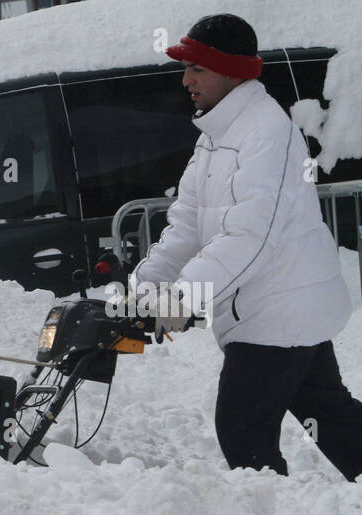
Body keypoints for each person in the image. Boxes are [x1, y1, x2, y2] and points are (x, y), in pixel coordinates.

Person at [129, 13, 362, 479]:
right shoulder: (218, 136)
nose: (186, 79)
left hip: (276, 311)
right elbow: (188, 224)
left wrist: (181, 298)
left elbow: (247, 236)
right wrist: (147, 285)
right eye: (186, 67)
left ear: (232, 72)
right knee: (331, 418)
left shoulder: (266, 135)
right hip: (284, 305)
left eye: (198, 68)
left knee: (242, 429)